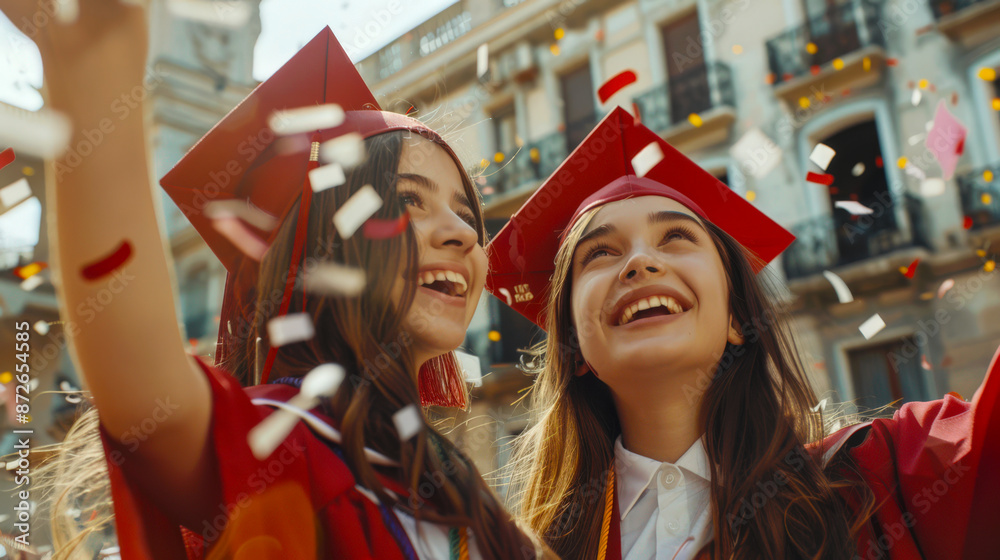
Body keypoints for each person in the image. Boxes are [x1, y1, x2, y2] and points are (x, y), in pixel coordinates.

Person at [0, 1, 550, 558]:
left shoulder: (468, 498)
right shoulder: (277, 442)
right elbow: (141, 387)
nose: (462, 232)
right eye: (409, 200)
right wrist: (95, 68)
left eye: (466, 212)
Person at [487, 106, 999, 559]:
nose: (640, 261)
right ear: (575, 347)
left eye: (677, 236)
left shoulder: (885, 481)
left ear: (736, 317)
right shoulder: (530, 550)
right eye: (600, 252)